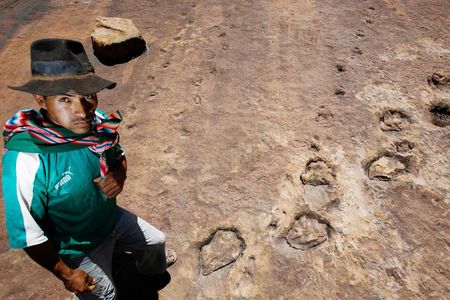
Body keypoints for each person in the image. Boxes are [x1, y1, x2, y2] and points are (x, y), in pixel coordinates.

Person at [2, 38, 176, 299]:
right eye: (64, 99)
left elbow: (118, 154)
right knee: (105, 295)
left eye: (87, 96)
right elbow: (27, 234)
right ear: (41, 99)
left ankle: (146, 270)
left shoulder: (99, 125)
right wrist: (67, 274)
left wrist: (120, 173)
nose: (82, 110)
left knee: (157, 242)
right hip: (76, 246)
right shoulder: (26, 158)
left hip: (110, 219)